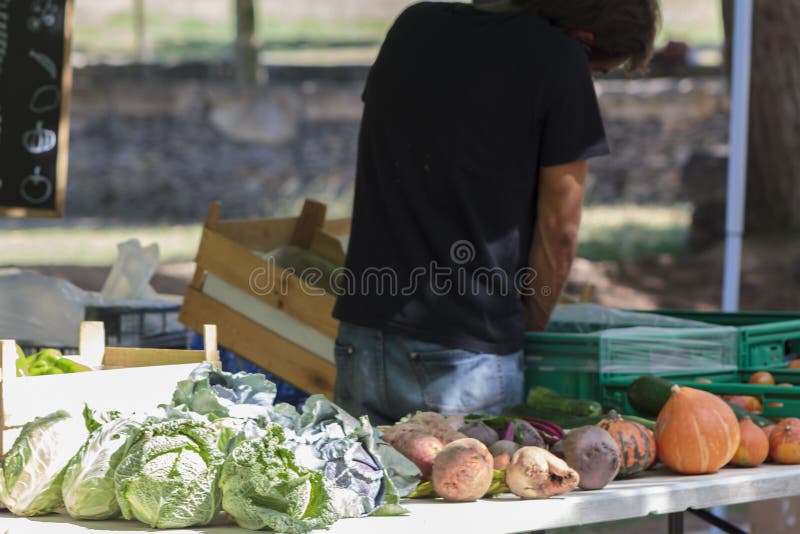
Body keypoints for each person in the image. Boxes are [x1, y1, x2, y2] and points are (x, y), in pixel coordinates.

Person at [331, 0, 660, 425]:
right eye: (600, 71)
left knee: (360, 488)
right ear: (584, 39)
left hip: (361, 332)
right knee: (474, 487)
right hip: (465, 352)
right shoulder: (560, 61)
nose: (591, 78)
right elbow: (560, 229)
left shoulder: (414, 25)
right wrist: (531, 329)